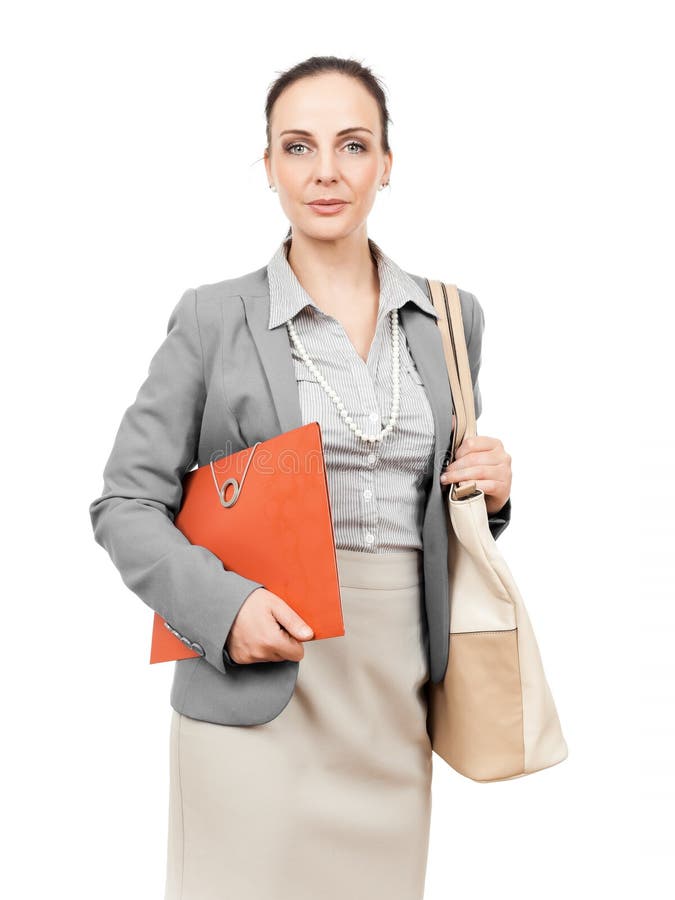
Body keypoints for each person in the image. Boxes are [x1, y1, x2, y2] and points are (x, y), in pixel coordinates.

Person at [89, 54, 512, 900]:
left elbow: (434, 514)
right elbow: (125, 502)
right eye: (297, 147)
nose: (325, 172)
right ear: (269, 164)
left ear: (387, 163)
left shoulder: (449, 314)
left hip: (394, 697)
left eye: (352, 146)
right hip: (256, 689)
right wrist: (223, 608)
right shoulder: (213, 317)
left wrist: (491, 492)